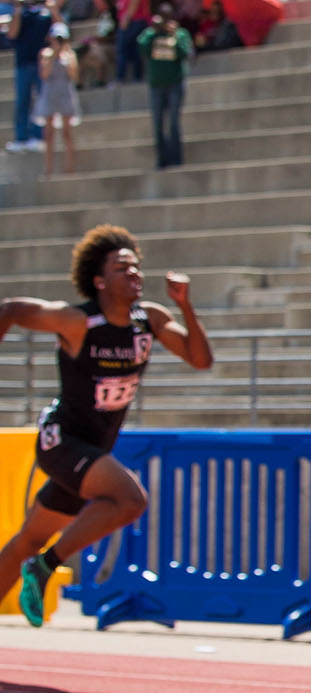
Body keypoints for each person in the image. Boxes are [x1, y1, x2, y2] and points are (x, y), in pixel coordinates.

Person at [0, 225, 214, 627]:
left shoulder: (149, 320)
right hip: (62, 441)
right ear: (99, 280)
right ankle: (45, 567)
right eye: (122, 268)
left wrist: (185, 306)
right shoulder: (78, 322)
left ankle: (38, 560)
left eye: (136, 267)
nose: (134, 274)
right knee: (130, 500)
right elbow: (10, 309)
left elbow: (201, 360)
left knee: (28, 538)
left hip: (93, 449)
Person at [138, 1, 191, 168]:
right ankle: (162, 159)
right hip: (156, 85)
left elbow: (185, 53)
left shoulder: (179, 34)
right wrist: (153, 31)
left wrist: (174, 36)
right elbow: (142, 47)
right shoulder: (151, 35)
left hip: (175, 83)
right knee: (158, 124)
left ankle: (176, 159)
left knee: (174, 123)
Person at [34, 21, 82, 177]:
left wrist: (65, 56)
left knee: (67, 133)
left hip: (65, 93)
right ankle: (48, 170)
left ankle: (70, 170)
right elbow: (44, 75)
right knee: (48, 134)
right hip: (50, 94)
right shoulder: (45, 54)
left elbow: (74, 76)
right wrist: (53, 55)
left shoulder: (70, 55)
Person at [6, 0, 52, 152]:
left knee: (41, 102)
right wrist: (17, 10)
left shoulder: (45, 14)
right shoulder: (20, 14)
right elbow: (12, 34)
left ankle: (38, 137)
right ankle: (21, 138)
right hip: (23, 64)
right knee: (22, 102)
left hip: (41, 65)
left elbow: (59, 32)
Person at [115, 0, 151, 83]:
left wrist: (126, 18)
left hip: (134, 22)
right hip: (134, 21)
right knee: (134, 51)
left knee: (123, 50)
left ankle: (121, 77)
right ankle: (137, 77)